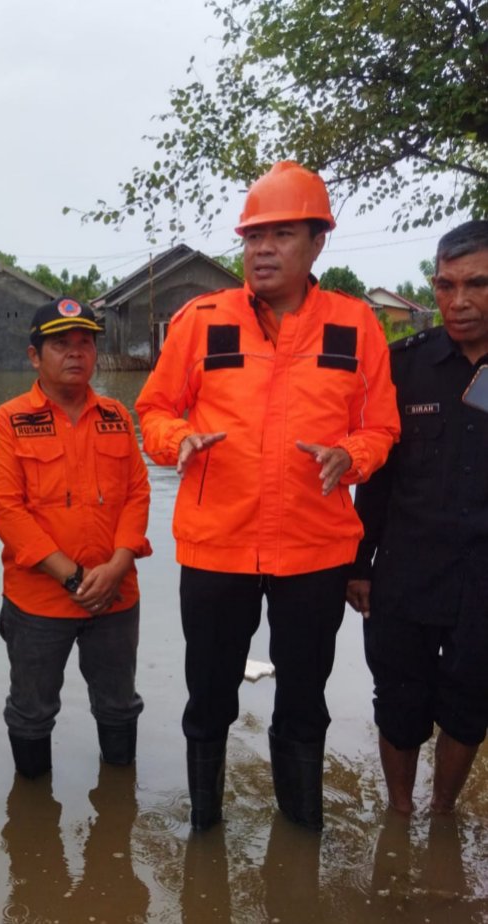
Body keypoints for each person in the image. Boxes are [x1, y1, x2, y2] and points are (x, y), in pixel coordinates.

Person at [135, 161, 400, 831]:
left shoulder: (356, 325)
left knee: (305, 698)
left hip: (314, 550)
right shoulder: (201, 320)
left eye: (281, 234)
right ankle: (205, 829)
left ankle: (300, 833)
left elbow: (382, 427)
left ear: (318, 242)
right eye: (253, 236)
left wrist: (352, 455)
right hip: (217, 546)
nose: (261, 250)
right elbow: (155, 410)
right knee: (211, 693)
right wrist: (178, 440)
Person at [347, 220, 488, 815]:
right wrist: (359, 565)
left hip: (482, 578)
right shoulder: (404, 367)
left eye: (477, 284)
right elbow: (375, 476)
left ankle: (442, 812)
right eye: (445, 285)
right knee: (398, 699)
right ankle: (400, 813)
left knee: (470, 700)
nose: (458, 302)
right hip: (405, 571)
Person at [0, 297, 151, 778]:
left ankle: (119, 804)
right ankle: (33, 820)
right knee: (32, 710)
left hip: (116, 596)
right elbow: (6, 512)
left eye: (85, 343)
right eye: (61, 344)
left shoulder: (118, 415)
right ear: (35, 356)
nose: (76, 353)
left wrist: (118, 563)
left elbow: (138, 494)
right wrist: (73, 578)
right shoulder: (9, 421)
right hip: (38, 601)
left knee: (120, 706)